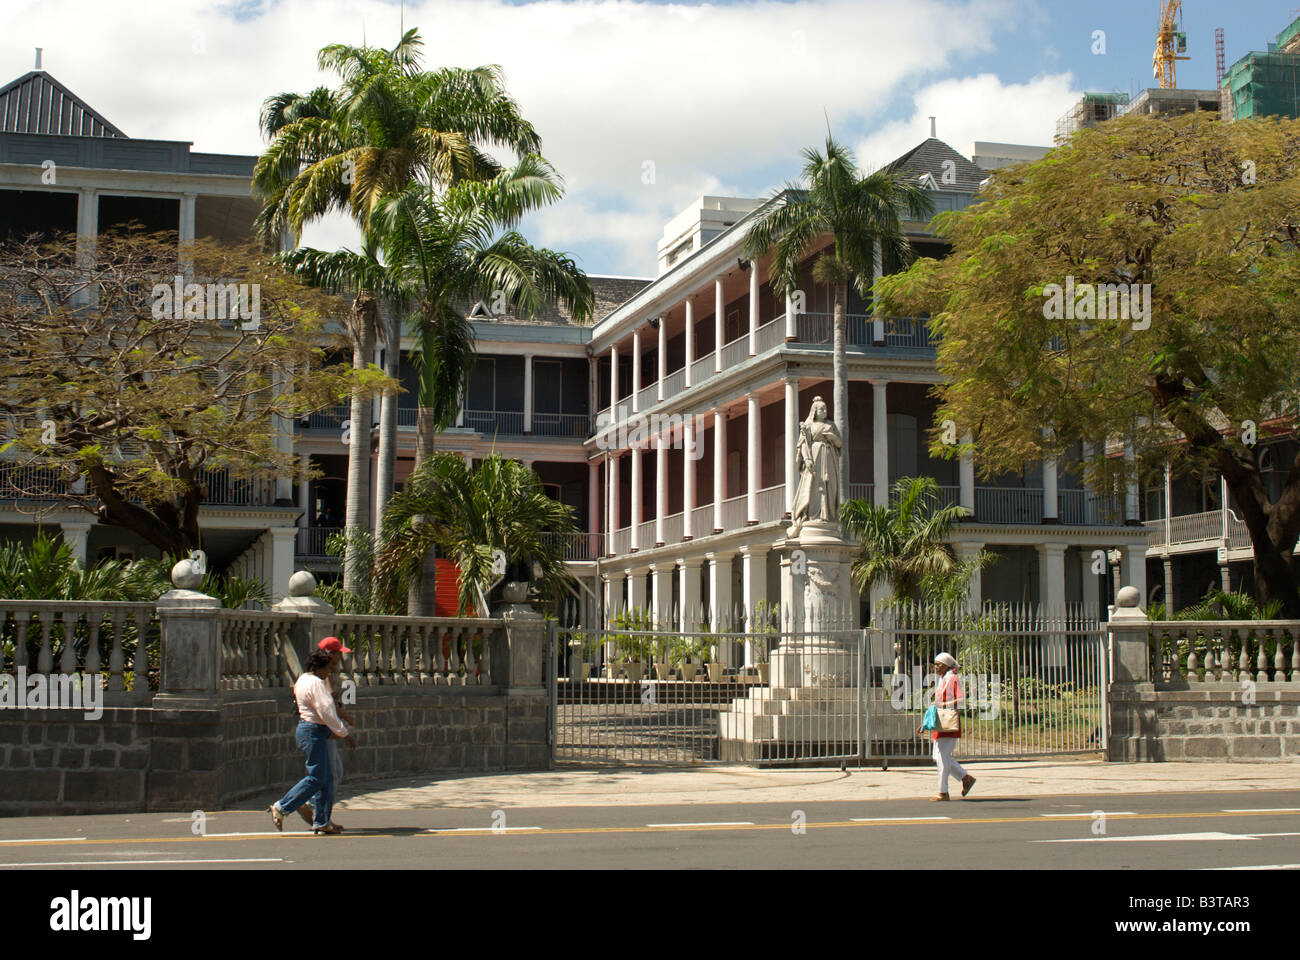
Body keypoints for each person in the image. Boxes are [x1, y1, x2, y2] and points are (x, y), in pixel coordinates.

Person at [269, 649, 356, 835]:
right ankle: (282, 806)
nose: (330, 671)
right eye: (329, 667)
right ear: (320, 666)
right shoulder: (316, 683)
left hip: (310, 730)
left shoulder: (303, 679)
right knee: (317, 777)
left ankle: (322, 821)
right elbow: (327, 712)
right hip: (313, 731)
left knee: (325, 779)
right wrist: (344, 734)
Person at [294, 636, 355, 828]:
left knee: (329, 773)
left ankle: (321, 816)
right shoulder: (323, 677)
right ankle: (311, 809)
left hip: (321, 728)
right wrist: (344, 730)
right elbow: (327, 708)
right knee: (329, 774)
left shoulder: (317, 676)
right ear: (331, 654)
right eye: (338, 653)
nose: (339, 658)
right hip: (321, 729)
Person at [916, 652, 976, 802]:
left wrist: (944, 705)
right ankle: (965, 777)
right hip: (941, 722)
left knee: (942, 758)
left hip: (948, 722)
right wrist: (924, 724)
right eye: (935, 664)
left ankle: (943, 792)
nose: (935, 667)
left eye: (938, 664)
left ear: (946, 665)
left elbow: (961, 699)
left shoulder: (952, 679)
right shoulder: (943, 679)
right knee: (938, 756)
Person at [790, 397, 842, 535]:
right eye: (821, 409)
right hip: (814, 457)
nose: (824, 411)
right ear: (815, 411)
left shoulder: (831, 425)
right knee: (814, 487)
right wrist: (807, 459)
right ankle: (814, 514)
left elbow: (840, 444)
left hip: (829, 457)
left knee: (829, 487)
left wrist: (832, 437)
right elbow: (803, 444)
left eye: (825, 409)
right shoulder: (808, 426)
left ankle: (828, 514)